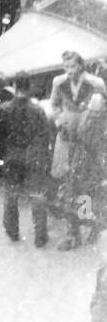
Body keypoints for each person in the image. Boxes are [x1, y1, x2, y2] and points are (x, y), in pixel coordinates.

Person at [50, 52, 107, 251]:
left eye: (73, 67)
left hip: (89, 142)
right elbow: (55, 105)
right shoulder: (59, 82)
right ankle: (73, 233)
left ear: (81, 66)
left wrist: (96, 125)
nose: (70, 71)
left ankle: (92, 226)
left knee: (88, 186)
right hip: (67, 137)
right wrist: (60, 123)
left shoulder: (96, 84)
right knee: (68, 182)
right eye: (66, 67)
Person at [0, 73, 53, 247]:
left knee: (11, 194)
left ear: (14, 86)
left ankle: (12, 231)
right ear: (29, 87)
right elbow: (45, 137)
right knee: (37, 196)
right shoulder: (38, 111)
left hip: (12, 157)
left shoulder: (4, 109)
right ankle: (40, 237)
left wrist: (4, 153)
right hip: (33, 158)